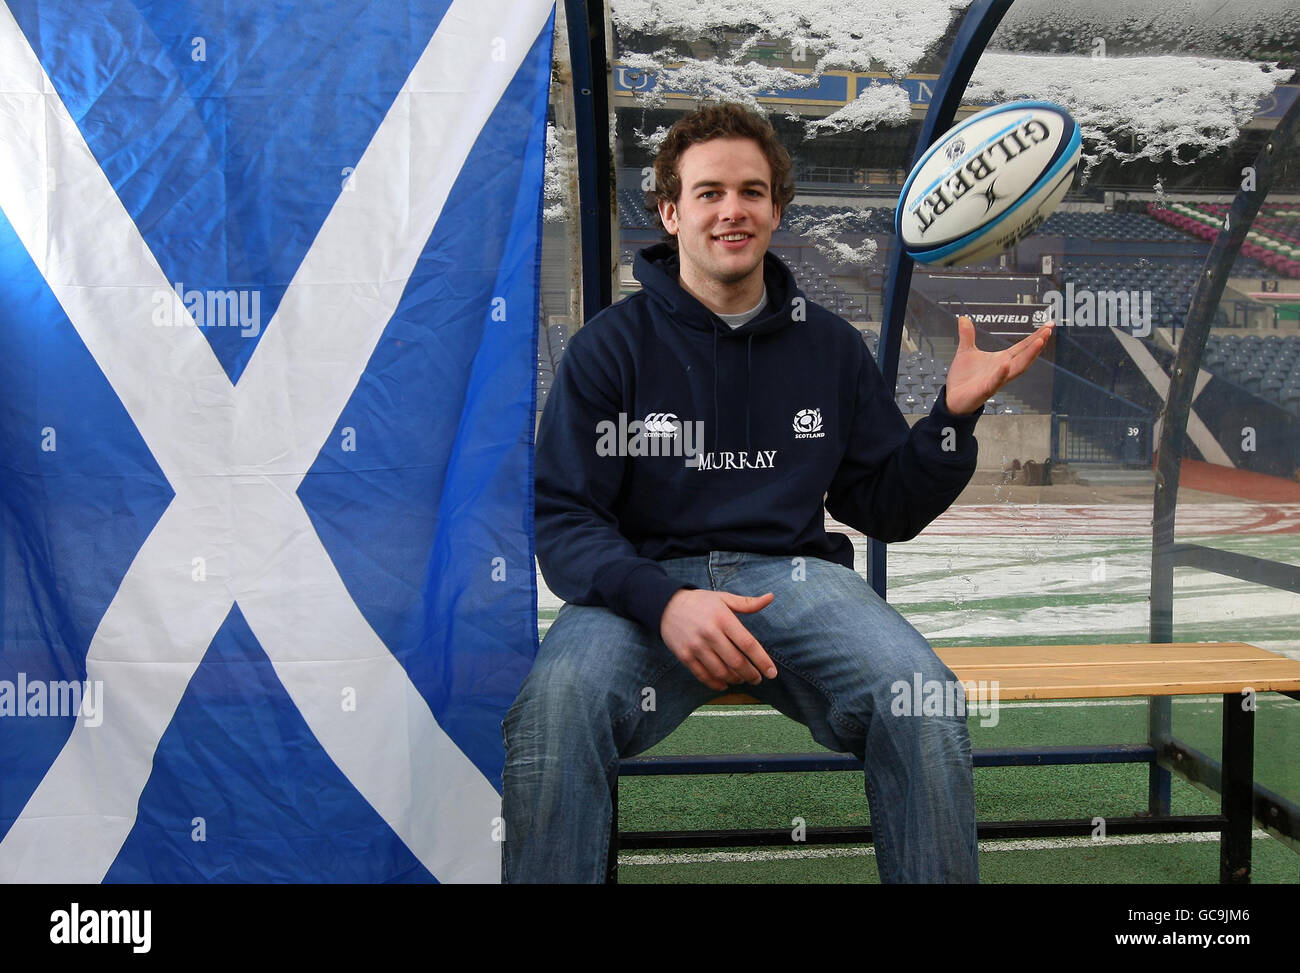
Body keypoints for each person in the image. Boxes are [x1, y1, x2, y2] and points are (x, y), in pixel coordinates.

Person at [502, 102, 1053, 883]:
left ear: (776, 208)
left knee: (921, 701)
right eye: (709, 192)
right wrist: (663, 601)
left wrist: (950, 420)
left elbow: (883, 504)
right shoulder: (608, 346)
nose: (733, 209)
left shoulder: (827, 344)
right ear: (670, 211)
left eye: (753, 191)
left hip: (792, 580)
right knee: (555, 714)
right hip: (641, 588)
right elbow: (565, 520)